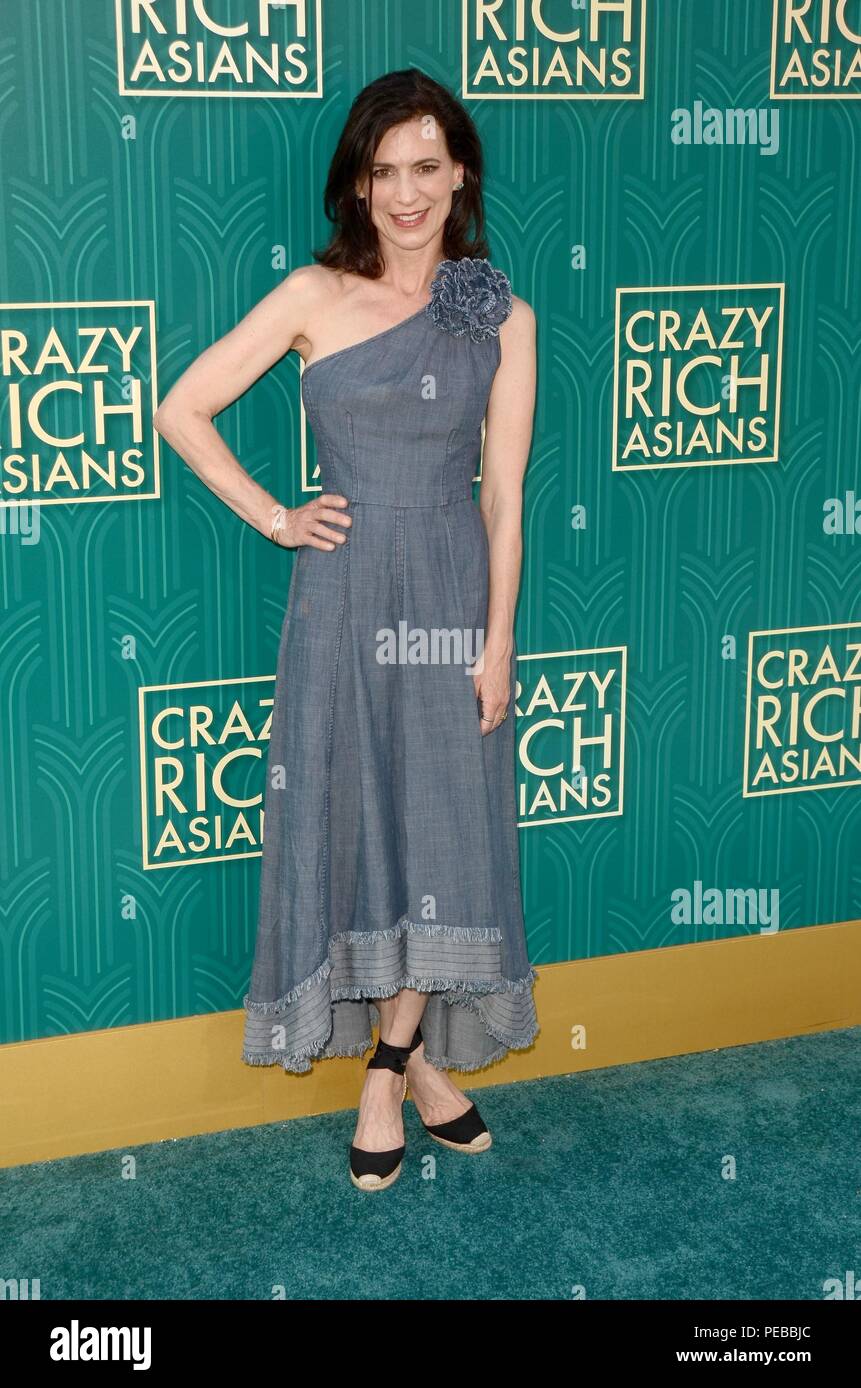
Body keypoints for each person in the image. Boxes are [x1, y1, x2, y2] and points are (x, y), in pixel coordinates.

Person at [153, 67, 538, 1192]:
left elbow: (505, 494)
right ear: (358, 185)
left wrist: (499, 638)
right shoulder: (314, 297)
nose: (407, 194)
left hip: (453, 596)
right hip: (343, 595)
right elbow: (183, 406)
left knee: (443, 835)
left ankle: (386, 1069)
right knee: (357, 825)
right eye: (384, 172)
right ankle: (420, 1074)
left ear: (459, 173)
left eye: (428, 167)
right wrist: (277, 516)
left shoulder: (500, 312)